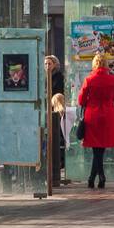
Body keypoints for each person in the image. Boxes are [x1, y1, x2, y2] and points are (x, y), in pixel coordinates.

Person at [76, 52, 114, 189]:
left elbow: (81, 100)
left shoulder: (89, 79)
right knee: (100, 149)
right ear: (106, 64)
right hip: (108, 114)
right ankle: (95, 177)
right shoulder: (113, 79)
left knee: (97, 149)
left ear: (94, 64)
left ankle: (97, 177)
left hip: (93, 115)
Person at [45, 55, 66, 184]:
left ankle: (59, 161)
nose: (47, 66)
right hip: (46, 108)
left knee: (57, 135)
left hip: (55, 108)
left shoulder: (58, 77)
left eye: (49, 64)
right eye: (46, 64)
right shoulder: (43, 78)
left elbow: (57, 91)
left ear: (55, 65)